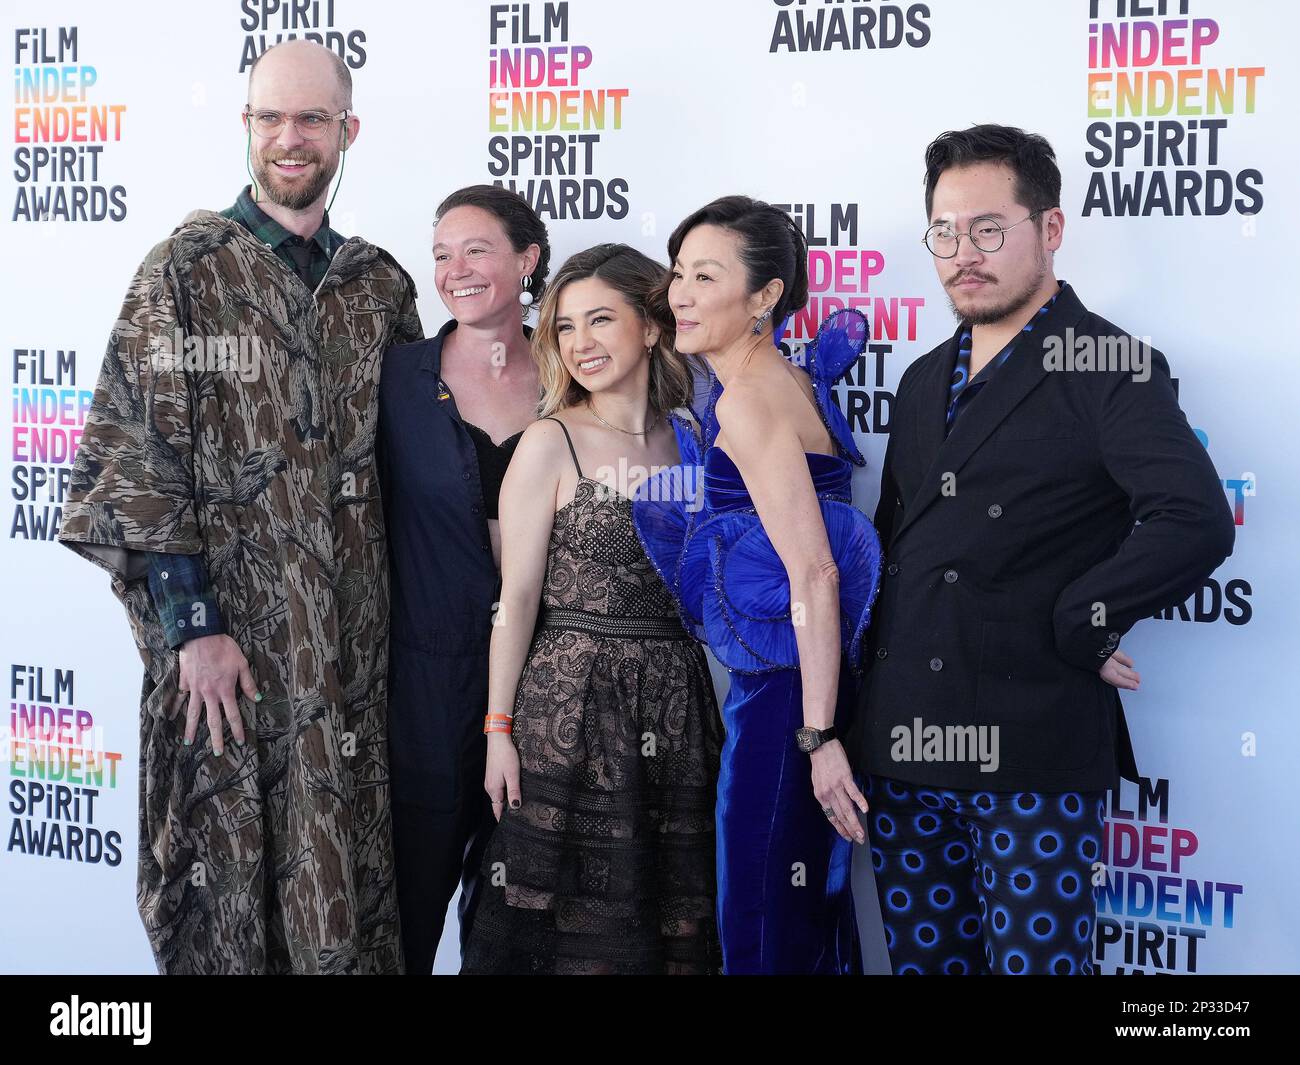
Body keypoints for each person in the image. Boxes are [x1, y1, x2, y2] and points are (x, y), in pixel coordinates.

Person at [56, 39, 421, 974]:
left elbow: (421, 472)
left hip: (352, 660)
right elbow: (137, 461)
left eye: (311, 119)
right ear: (246, 127)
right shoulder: (184, 270)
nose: (289, 139)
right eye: (270, 119)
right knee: (229, 907)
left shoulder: (381, 289)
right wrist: (194, 627)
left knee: (347, 897)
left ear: (348, 129)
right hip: (233, 662)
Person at [849, 124, 1236, 975]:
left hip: (1031, 741)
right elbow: (893, 552)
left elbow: (1194, 517)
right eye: (944, 232)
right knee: (925, 964)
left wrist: (1079, 619)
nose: (962, 254)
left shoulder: (1109, 363)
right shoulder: (920, 378)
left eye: (989, 229)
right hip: (904, 741)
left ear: (1049, 231)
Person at [631, 197, 882, 974]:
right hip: (802, 689)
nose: (681, 293)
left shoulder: (750, 399)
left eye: (706, 276)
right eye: (679, 274)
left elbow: (816, 570)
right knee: (800, 917)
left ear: (766, 294)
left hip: (783, 702)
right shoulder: (789, 380)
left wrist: (815, 736)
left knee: (763, 919)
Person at [462, 244, 724, 975]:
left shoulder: (697, 440)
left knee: (664, 916)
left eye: (601, 320)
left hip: (676, 711)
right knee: (568, 930)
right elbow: (513, 600)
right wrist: (498, 729)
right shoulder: (550, 442)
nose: (581, 344)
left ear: (650, 325)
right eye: (566, 327)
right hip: (568, 714)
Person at [378, 185, 549, 973]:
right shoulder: (395, 380)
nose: (455, 269)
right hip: (425, 695)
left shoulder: (576, 368)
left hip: (553, 696)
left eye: (476, 249)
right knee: (408, 921)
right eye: (441, 253)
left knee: (529, 934)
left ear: (527, 259)